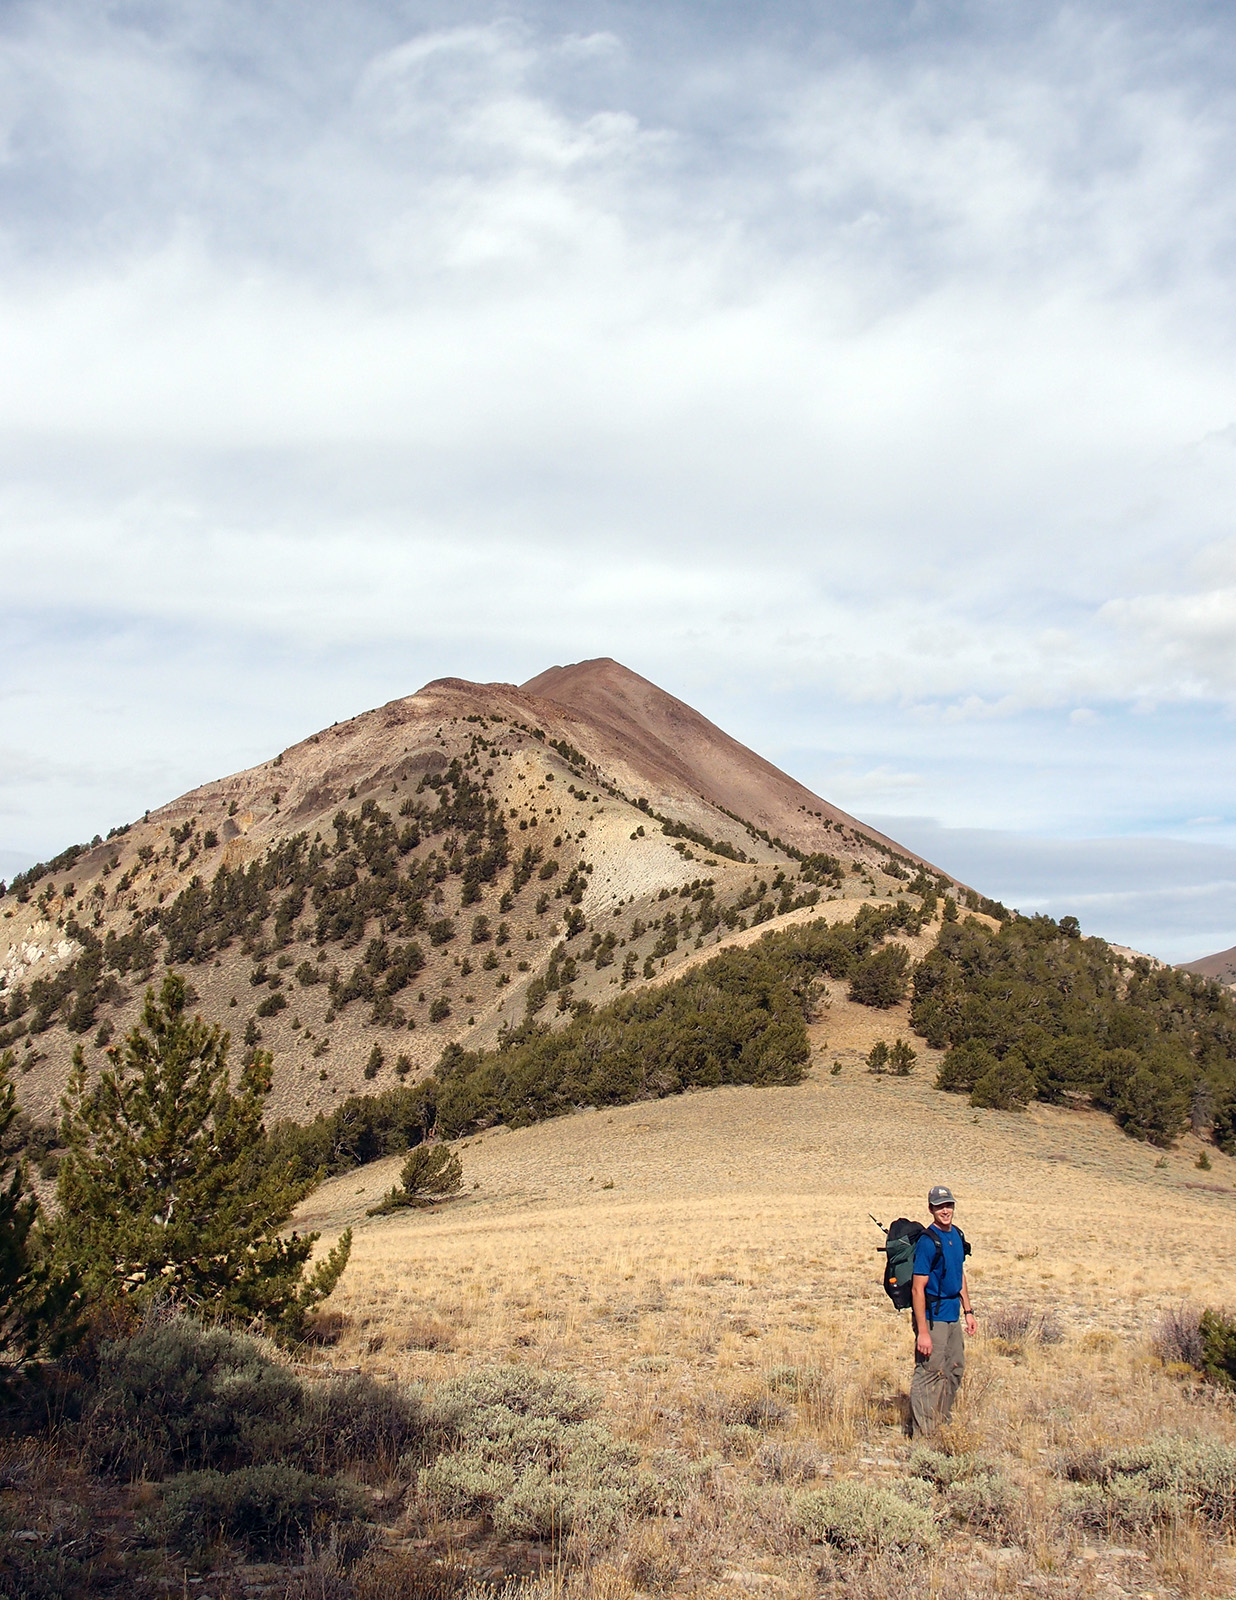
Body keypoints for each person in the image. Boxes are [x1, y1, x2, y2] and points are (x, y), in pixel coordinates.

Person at [909, 1184, 976, 1436]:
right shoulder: (929, 1242)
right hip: (932, 1317)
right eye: (939, 1206)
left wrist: (968, 1311)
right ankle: (923, 1435)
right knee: (929, 1373)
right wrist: (923, 1332)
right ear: (930, 1209)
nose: (945, 1210)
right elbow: (918, 1289)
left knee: (954, 1369)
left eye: (948, 1205)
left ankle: (940, 1421)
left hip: (953, 1315)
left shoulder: (956, 1235)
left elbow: (959, 1275)